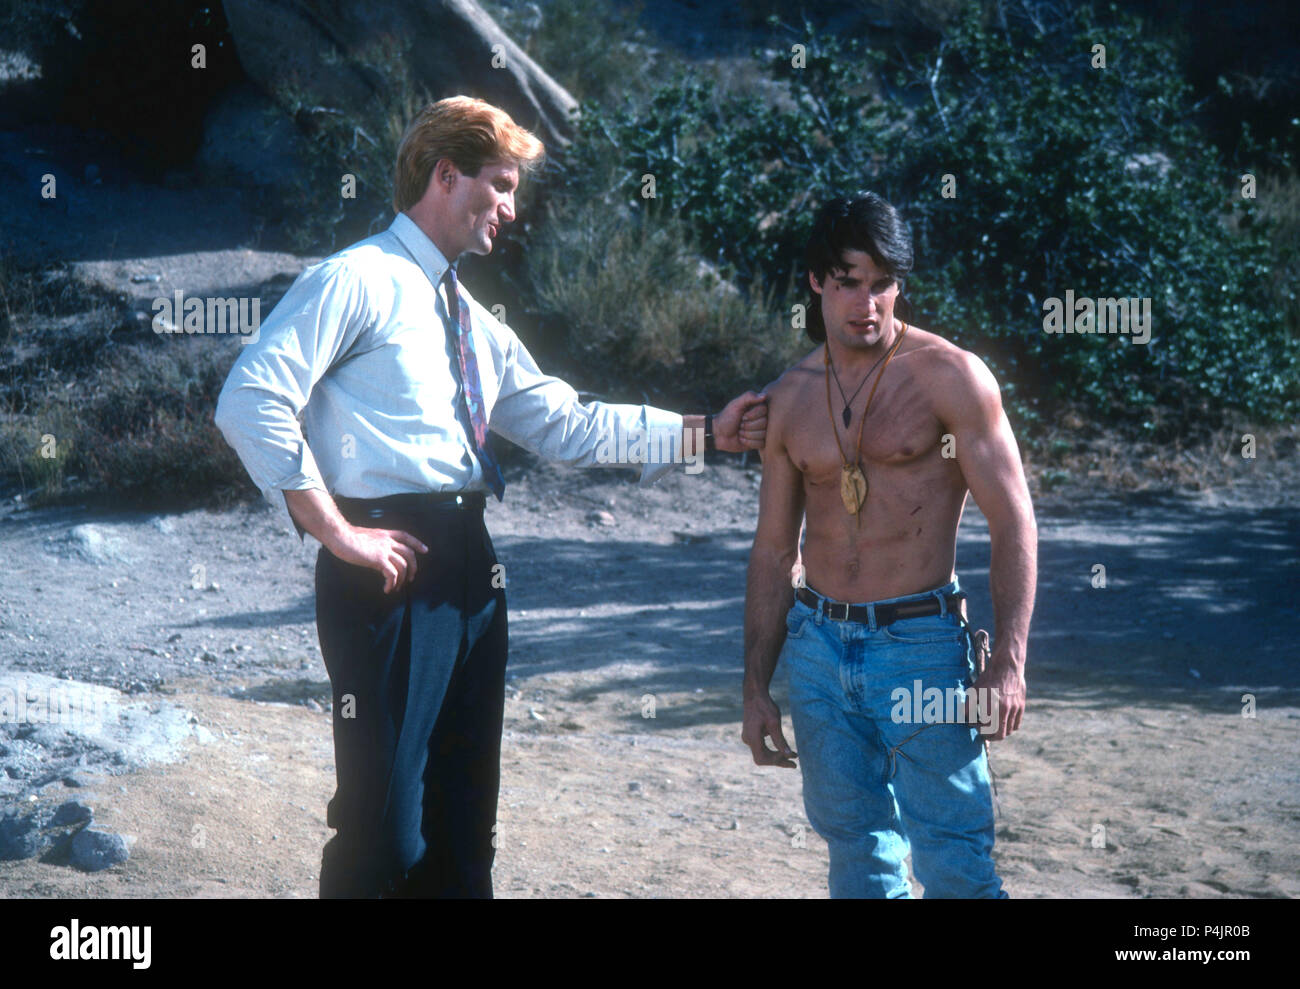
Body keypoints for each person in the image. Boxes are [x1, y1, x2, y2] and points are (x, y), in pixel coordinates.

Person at [214, 95, 768, 898]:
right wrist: (337, 531)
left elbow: (565, 423)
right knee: (382, 830)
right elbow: (251, 397)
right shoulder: (356, 279)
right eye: (501, 186)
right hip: (386, 565)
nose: (511, 209)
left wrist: (707, 432)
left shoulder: (468, 316)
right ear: (446, 175)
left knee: (466, 828)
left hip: (473, 569)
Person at [741, 193, 1036, 898]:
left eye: (883, 283)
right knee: (860, 854)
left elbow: (1014, 521)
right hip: (818, 645)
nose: (866, 303)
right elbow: (774, 551)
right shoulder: (789, 397)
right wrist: (755, 684)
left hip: (922, 642)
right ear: (816, 281)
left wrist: (1011, 661)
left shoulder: (951, 377)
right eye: (848, 281)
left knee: (955, 862)